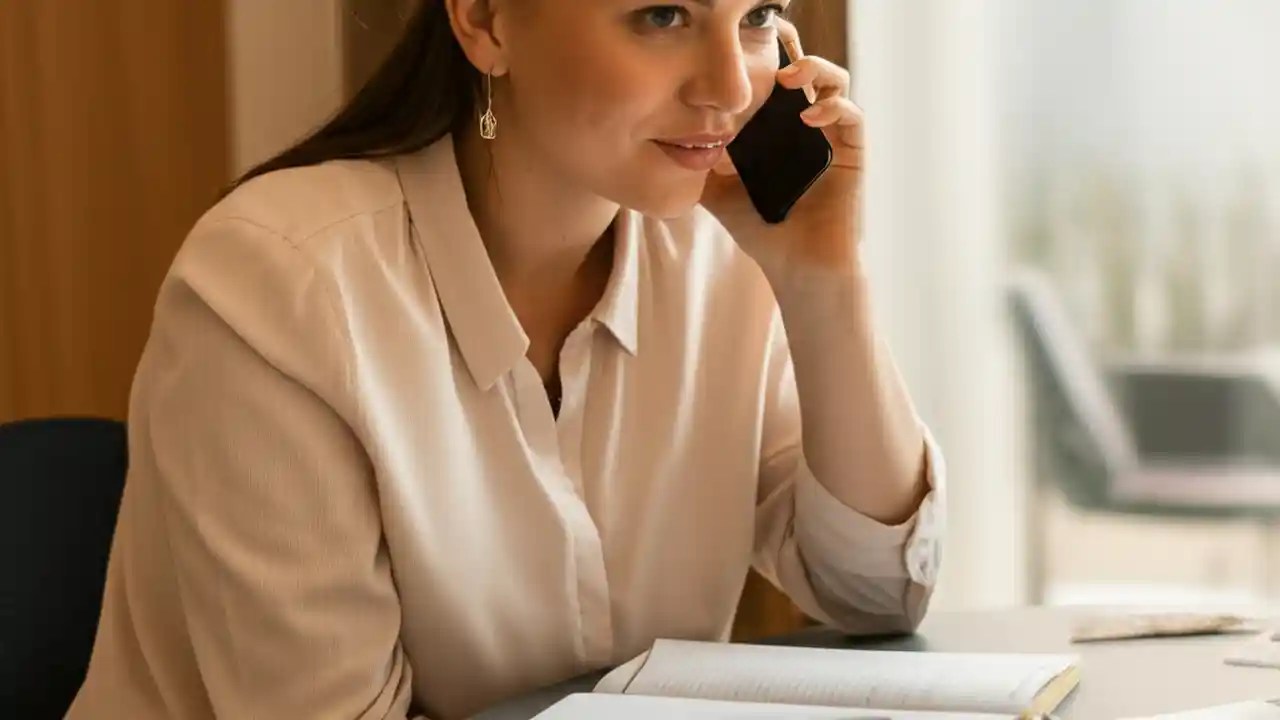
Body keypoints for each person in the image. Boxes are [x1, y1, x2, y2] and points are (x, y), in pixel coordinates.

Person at [68, 0, 944, 718]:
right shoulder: (277, 282)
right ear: (486, 21)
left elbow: (874, 595)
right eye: (663, 16)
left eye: (756, 17)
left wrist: (825, 276)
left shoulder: (721, 255)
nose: (729, 88)